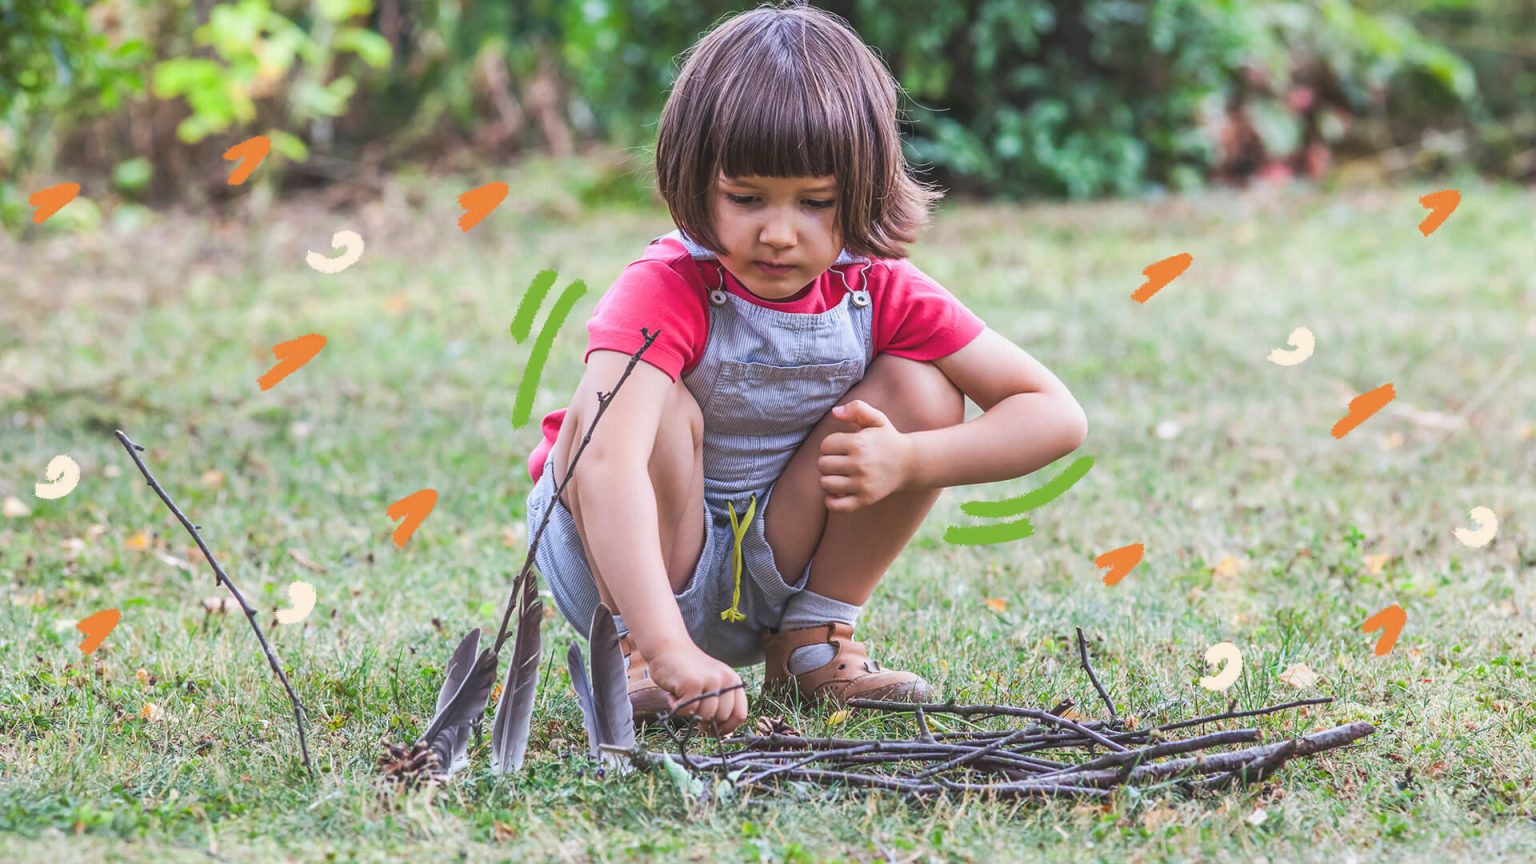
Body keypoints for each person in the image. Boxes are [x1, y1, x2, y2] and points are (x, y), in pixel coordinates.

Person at [524, 1, 1087, 736]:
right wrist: (663, 643)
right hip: (627, 555)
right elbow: (603, 464)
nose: (779, 234)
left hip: (772, 552)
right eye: (746, 197)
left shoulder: (876, 283)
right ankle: (635, 656)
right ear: (696, 180)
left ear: (862, 191)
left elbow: (1054, 415)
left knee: (923, 383)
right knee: (646, 410)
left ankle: (810, 643)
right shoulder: (668, 285)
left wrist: (910, 459)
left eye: (815, 203)